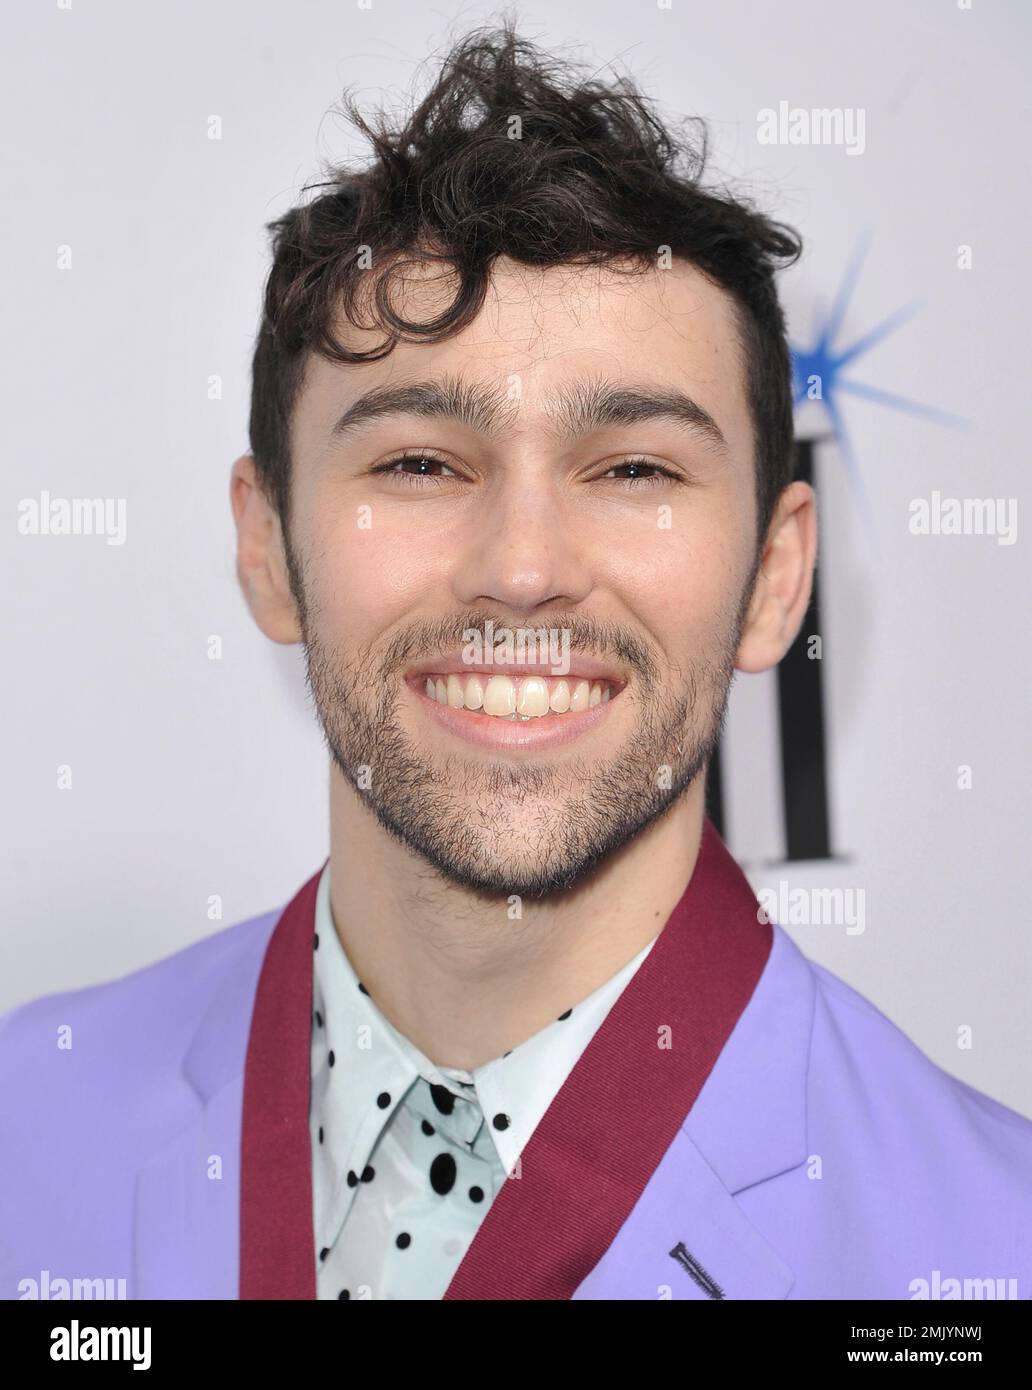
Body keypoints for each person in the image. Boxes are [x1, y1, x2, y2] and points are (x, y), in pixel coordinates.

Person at [3, 21, 1030, 1303]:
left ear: (777, 577)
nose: (524, 564)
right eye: (421, 462)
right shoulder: (18, 1129)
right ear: (267, 549)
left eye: (636, 468)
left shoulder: (993, 1251)